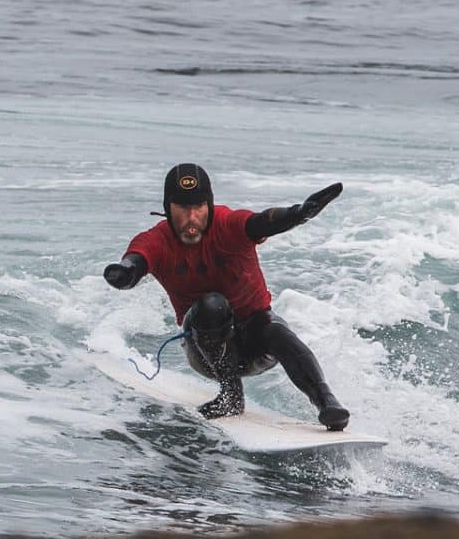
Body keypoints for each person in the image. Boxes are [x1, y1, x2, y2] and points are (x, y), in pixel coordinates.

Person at [103, 163, 350, 431]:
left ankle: (327, 403)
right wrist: (126, 274)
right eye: (182, 208)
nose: (191, 217)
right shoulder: (156, 240)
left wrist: (298, 214)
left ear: (209, 204)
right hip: (204, 350)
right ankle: (231, 396)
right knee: (212, 305)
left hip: (255, 345)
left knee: (277, 330)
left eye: (198, 207)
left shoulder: (227, 224)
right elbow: (136, 261)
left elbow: (260, 221)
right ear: (167, 207)